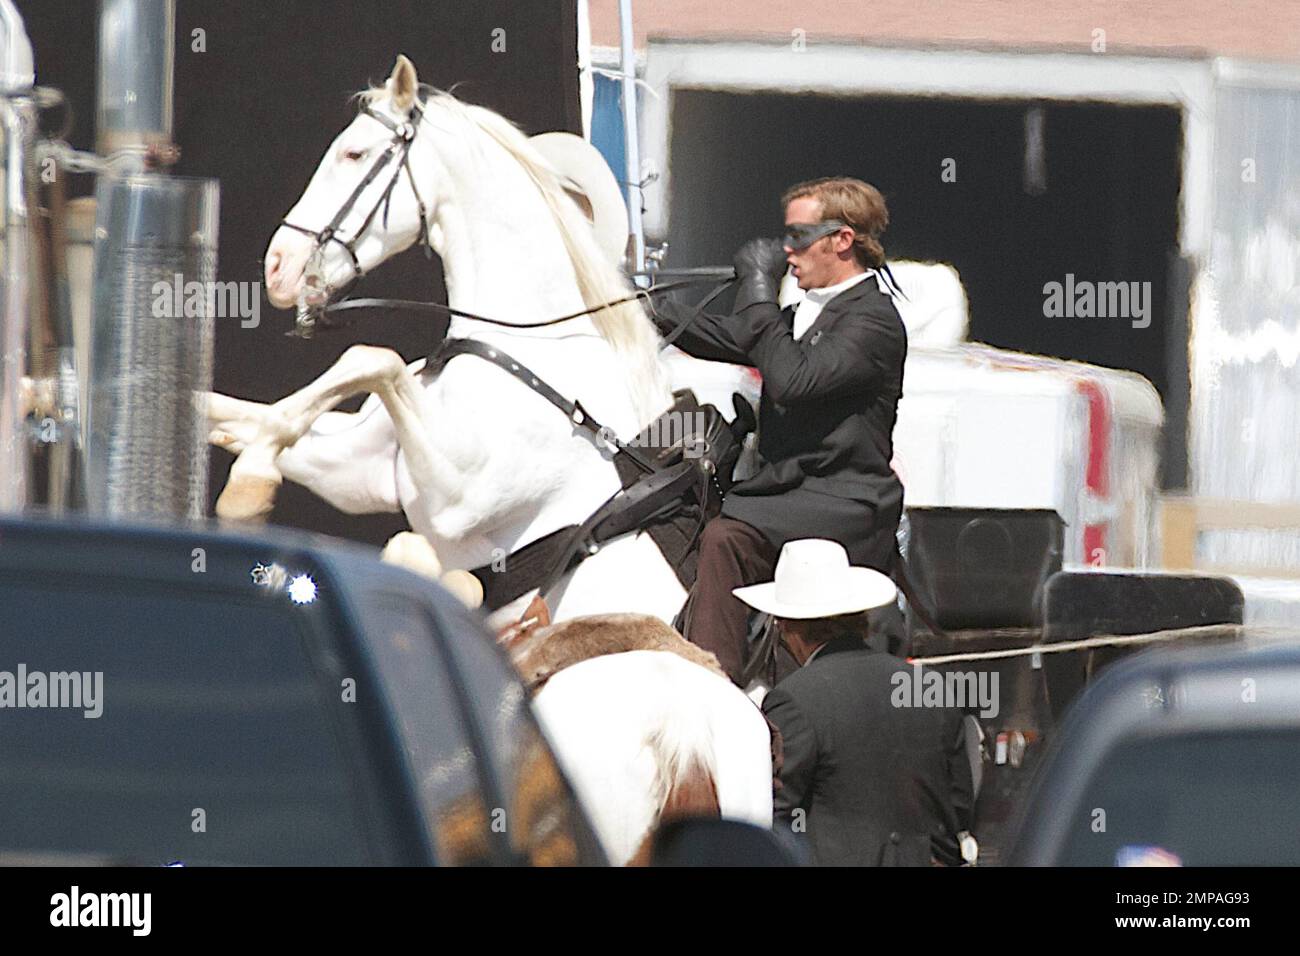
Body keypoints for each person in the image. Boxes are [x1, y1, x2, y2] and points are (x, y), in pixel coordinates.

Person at [651, 177, 907, 684]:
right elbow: (731, 336)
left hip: (844, 499)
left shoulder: (874, 321)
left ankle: (710, 685)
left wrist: (759, 290)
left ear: (842, 240)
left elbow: (792, 379)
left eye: (799, 235)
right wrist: (645, 307)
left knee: (727, 535)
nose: (787, 250)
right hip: (795, 493)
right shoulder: (803, 316)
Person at [735, 538, 975, 866]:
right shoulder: (929, 685)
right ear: (859, 618)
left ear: (786, 625)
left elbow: (775, 812)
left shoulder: (795, 698)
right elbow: (960, 804)